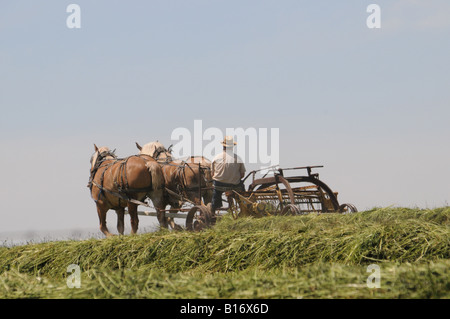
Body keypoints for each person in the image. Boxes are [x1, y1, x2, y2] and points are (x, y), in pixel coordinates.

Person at [210, 136, 246, 214]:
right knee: (242, 188)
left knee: (215, 192)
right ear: (232, 147)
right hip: (234, 186)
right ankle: (244, 204)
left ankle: (214, 207)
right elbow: (242, 174)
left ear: (223, 146)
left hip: (219, 185)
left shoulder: (216, 158)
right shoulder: (238, 158)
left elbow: (212, 174)